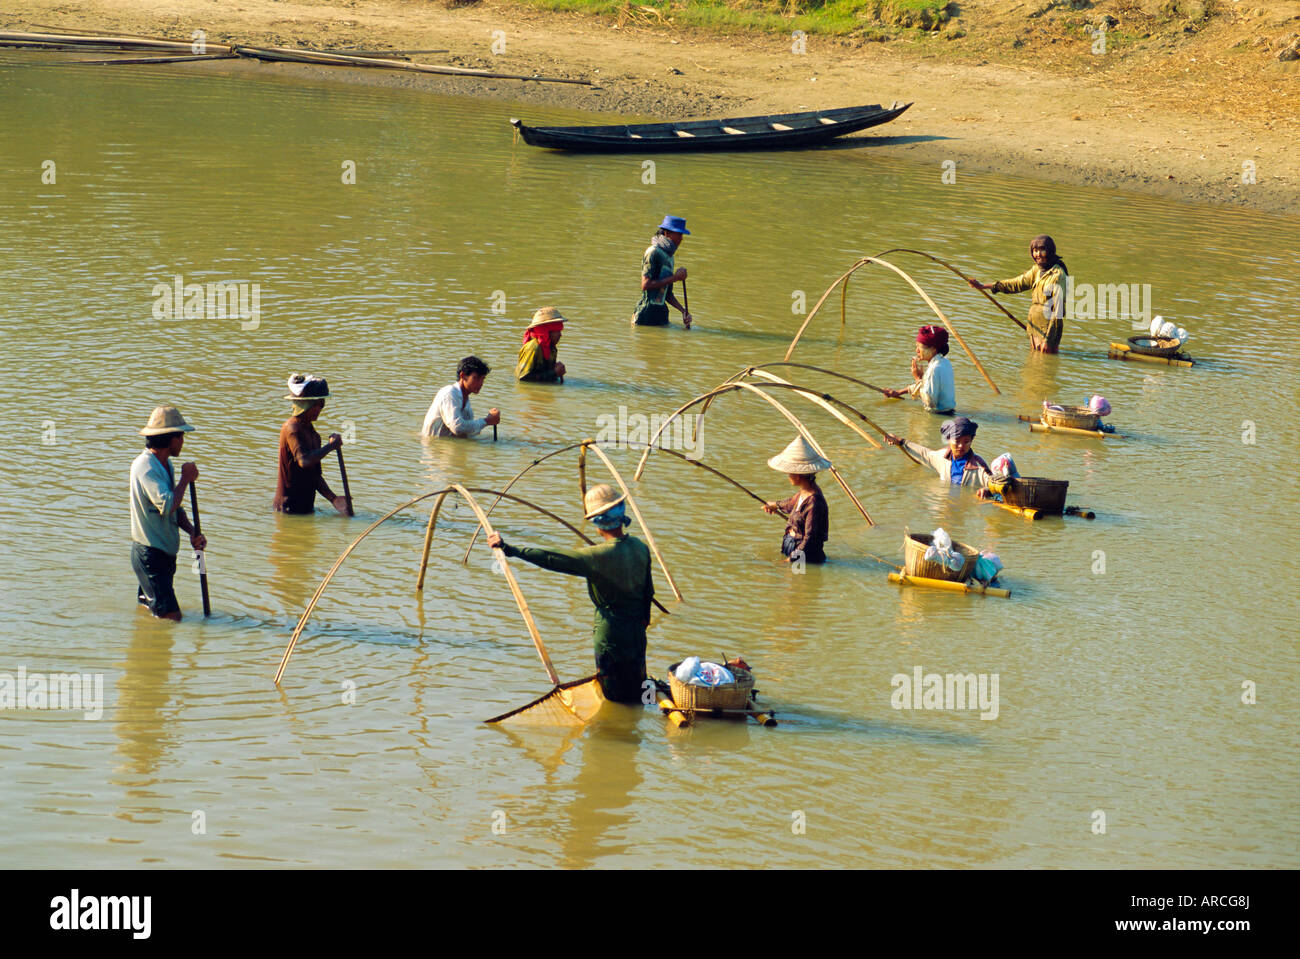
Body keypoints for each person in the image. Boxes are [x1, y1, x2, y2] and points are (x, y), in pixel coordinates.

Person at [487, 485, 653, 703]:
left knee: (615, 697)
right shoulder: (639, 546)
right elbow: (648, 592)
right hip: (637, 634)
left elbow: (551, 558)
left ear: (597, 522)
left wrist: (510, 549)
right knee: (636, 690)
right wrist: (644, 621)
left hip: (611, 637)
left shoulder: (595, 557)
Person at [130, 406, 207, 620]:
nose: (182, 442)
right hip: (150, 555)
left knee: (152, 613)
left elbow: (176, 508)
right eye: (181, 437)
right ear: (171, 439)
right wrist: (186, 478)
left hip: (163, 554)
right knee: (173, 618)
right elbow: (167, 504)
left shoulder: (164, 464)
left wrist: (192, 531)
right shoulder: (145, 467)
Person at [968, 234, 1069, 353]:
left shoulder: (1058, 275)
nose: (1037, 254)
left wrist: (1049, 340)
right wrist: (983, 286)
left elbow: (1057, 312)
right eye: (1035, 251)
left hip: (1048, 331)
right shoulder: (1037, 270)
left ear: (1050, 251)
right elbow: (1016, 284)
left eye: (1042, 250)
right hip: (1034, 327)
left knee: (1045, 363)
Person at [274, 374, 350, 515]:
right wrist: (331, 447)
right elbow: (304, 460)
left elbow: (314, 476)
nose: (320, 409)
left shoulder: (314, 435)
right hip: (287, 510)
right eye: (318, 404)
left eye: (322, 404)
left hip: (306, 509)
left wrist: (334, 499)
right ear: (306, 404)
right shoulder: (291, 428)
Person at [883, 416, 995, 499]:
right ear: (949, 440)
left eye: (966, 442)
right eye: (957, 441)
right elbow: (924, 454)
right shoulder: (942, 458)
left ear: (971, 441)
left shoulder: (978, 465)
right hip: (944, 504)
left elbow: (997, 484)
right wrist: (901, 441)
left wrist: (987, 490)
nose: (961, 446)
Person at [762, 435, 831, 564]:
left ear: (798, 475)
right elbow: (791, 504)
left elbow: (810, 538)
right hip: (794, 548)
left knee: (799, 583)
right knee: (791, 583)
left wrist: (791, 560)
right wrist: (775, 505)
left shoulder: (815, 503)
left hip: (804, 556)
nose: (788, 476)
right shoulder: (804, 492)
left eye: (790, 473)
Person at [631, 215, 693, 328]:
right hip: (646, 314)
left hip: (661, 315)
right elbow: (645, 285)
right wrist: (675, 277)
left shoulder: (670, 257)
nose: (681, 238)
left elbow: (667, 294)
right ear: (667, 233)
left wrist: (683, 311)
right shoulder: (653, 252)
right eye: (679, 234)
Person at [882, 324, 956, 414]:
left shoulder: (934, 369)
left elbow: (930, 402)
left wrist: (918, 379)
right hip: (949, 412)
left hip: (939, 415)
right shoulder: (945, 362)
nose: (916, 350)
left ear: (933, 349)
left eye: (919, 347)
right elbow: (928, 388)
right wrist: (898, 393)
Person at [422, 356, 501, 438]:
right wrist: (487, 421)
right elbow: (457, 427)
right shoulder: (449, 393)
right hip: (434, 447)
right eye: (476, 378)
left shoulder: (465, 400)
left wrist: (491, 420)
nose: (480, 383)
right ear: (463, 376)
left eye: (482, 378)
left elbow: (466, 432)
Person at [515, 307, 568, 383]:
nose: (560, 335)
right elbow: (522, 377)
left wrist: (557, 370)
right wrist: (554, 373)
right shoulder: (533, 348)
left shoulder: (551, 347)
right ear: (547, 332)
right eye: (557, 331)